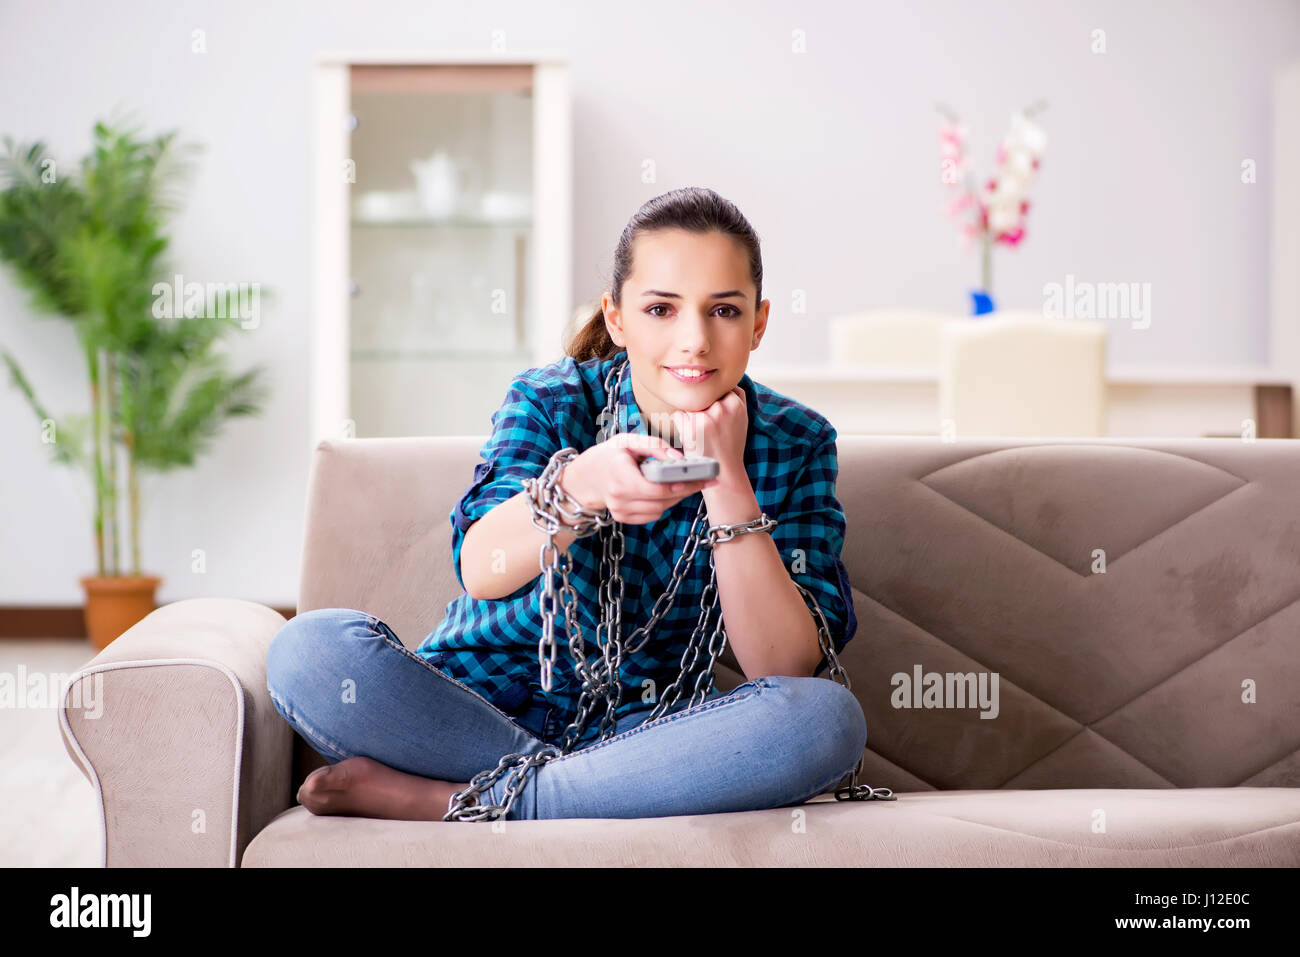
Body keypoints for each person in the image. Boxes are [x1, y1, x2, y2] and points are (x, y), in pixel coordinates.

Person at [265, 186, 867, 822]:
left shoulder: (797, 440)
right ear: (616, 318)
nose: (694, 340)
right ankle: (565, 798)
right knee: (308, 649)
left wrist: (726, 484)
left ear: (759, 323)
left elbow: (784, 666)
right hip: (479, 715)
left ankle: (467, 803)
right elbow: (482, 567)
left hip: (649, 738)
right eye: (661, 309)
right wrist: (580, 486)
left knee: (826, 718)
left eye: (723, 311)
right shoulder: (551, 401)